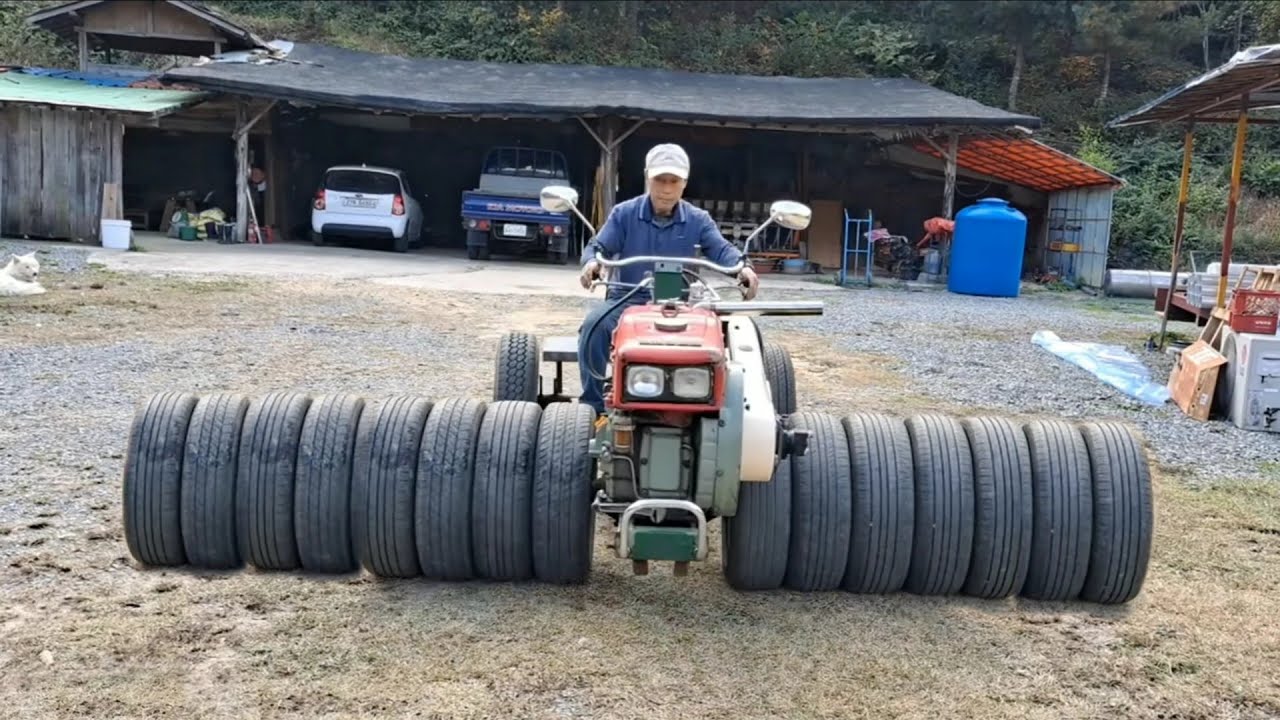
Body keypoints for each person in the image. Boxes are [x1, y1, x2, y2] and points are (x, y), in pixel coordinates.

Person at [576, 143, 760, 415]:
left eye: (673, 181)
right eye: (660, 180)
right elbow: (598, 245)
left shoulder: (699, 219)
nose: (666, 188)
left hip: (680, 304)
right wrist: (591, 262)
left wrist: (742, 267)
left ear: (684, 184)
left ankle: (714, 406)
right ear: (647, 178)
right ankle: (592, 406)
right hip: (628, 299)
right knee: (594, 326)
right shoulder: (624, 213)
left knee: (726, 339)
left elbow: (722, 250)